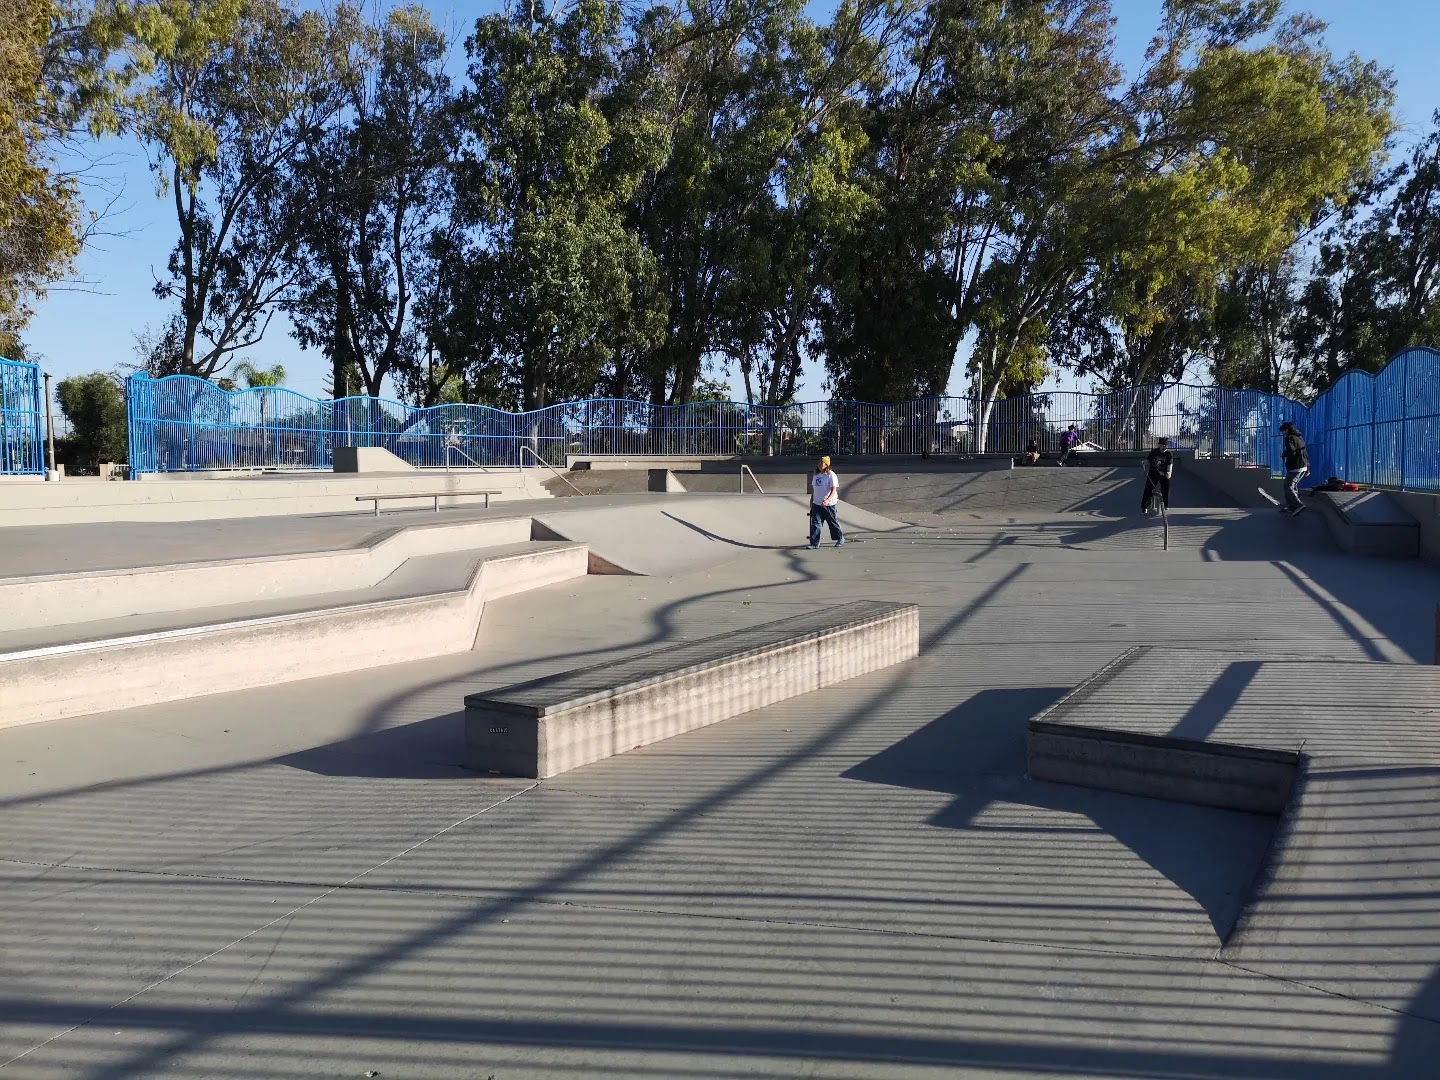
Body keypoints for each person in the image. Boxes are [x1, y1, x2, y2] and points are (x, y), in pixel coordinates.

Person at [808, 455, 844, 549]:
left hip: (829, 504)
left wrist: (828, 500)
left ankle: (840, 538)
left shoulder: (831, 475)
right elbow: (814, 489)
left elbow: (833, 490)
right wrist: (812, 499)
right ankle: (814, 543)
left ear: (827, 465)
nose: (820, 464)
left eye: (822, 463)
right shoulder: (816, 475)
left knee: (833, 523)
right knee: (816, 524)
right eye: (819, 463)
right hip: (817, 504)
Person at [1279, 421, 1309, 516]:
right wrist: (1308, 467)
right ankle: (1292, 507)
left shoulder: (1289, 438)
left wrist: (1284, 453)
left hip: (1295, 466)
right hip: (1303, 466)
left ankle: (1298, 505)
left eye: (1283, 431)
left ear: (1287, 430)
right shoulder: (1299, 438)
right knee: (1293, 486)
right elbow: (1305, 453)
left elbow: (1291, 451)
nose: (1282, 434)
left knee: (1288, 486)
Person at [1141, 436, 1173, 515]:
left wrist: (1169, 472)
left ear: (1166, 446)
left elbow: (1170, 464)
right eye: (1161, 445)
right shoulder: (1154, 451)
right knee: (1148, 489)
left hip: (1163, 473)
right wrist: (1145, 462)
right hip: (1153, 473)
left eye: (1164, 445)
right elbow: (1148, 459)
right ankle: (1144, 507)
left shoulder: (1169, 454)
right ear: (1159, 445)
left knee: (1165, 488)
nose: (1162, 447)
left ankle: (1165, 505)